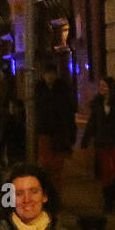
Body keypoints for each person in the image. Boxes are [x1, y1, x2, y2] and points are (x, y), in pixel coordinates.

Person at [82, 76, 115, 213]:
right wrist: (87, 138)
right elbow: (93, 122)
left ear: (111, 87)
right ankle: (108, 201)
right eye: (100, 86)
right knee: (106, 172)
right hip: (102, 142)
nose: (101, 88)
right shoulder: (98, 103)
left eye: (104, 86)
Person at [34, 62, 77, 194]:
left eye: (52, 74)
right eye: (47, 74)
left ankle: (55, 195)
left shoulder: (63, 90)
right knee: (45, 165)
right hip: (45, 132)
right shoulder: (39, 89)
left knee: (57, 167)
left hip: (59, 133)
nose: (50, 76)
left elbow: (69, 113)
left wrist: (71, 134)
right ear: (43, 75)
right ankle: (47, 194)